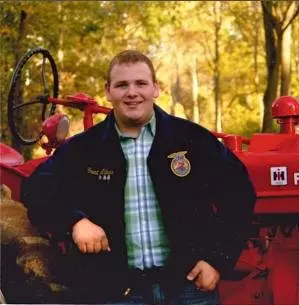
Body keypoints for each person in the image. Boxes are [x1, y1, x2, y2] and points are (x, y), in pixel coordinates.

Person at [22, 50, 256, 305]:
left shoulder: (192, 139)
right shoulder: (84, 148)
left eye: (141, 83)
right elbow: (36, 188)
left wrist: (216, 260)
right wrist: (75, 222)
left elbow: (239, 194)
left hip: (189, 289)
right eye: (122, 85)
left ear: (155, 88)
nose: (132, 92)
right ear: (108, 91)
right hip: (115, 293)